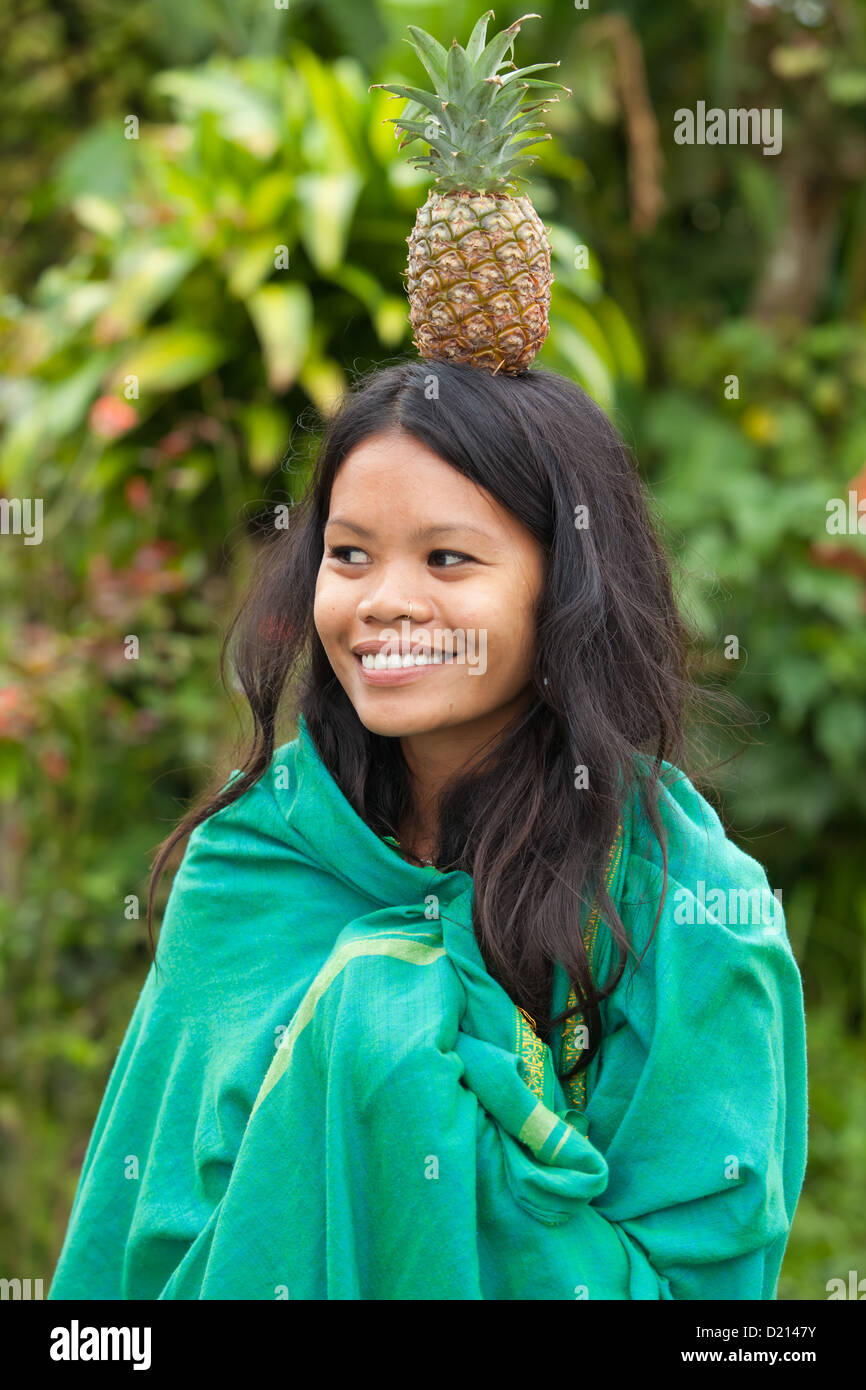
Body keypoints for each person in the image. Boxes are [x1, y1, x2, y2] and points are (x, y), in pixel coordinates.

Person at [48, 360, 807, 1300]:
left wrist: (385, 1035)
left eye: (447, 559)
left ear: (567, 584)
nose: (383, 602)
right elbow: (140, 1247)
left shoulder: (687, 908)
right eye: (350, 554)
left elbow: (704, 1300)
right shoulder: (257, 860)